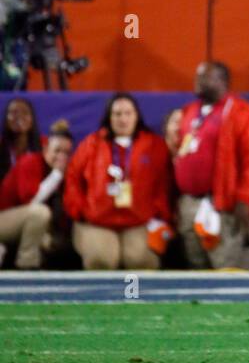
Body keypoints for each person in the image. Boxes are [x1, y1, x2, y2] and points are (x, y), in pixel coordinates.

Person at [174, 62, 249, 269]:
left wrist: (244, 200)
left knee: (224, 264)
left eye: (205, 77)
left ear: (223, 81)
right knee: (194, 265)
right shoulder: (191, 111)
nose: (198, 81)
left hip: (223, 203)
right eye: (197, 76)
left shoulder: (241, 113)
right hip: (191, 203)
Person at [64, 94, 173, 270]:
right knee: (101, 260)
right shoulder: (92, 144)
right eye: (117, 114)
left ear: (137, 116)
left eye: (128, 113)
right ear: (109, 117)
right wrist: (80, 210)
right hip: (97, 222)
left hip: (139, 222)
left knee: (140, 261)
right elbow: (72, 178)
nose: (123, 119)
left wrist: (159, 213)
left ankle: (135, 297)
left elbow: (164, 183)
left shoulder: (154, 145)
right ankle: (102, 298)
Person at [0, 121, 73, 268]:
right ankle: (27, 264)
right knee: (40, 213)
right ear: (46, 149)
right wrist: (57, 174)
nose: (61, 157)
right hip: (4, 219)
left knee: (50, 240)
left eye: (66, 153)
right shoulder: (30, 162)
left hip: (23, 224)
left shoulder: (68, 172)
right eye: (57, 151)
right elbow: (32, 202)